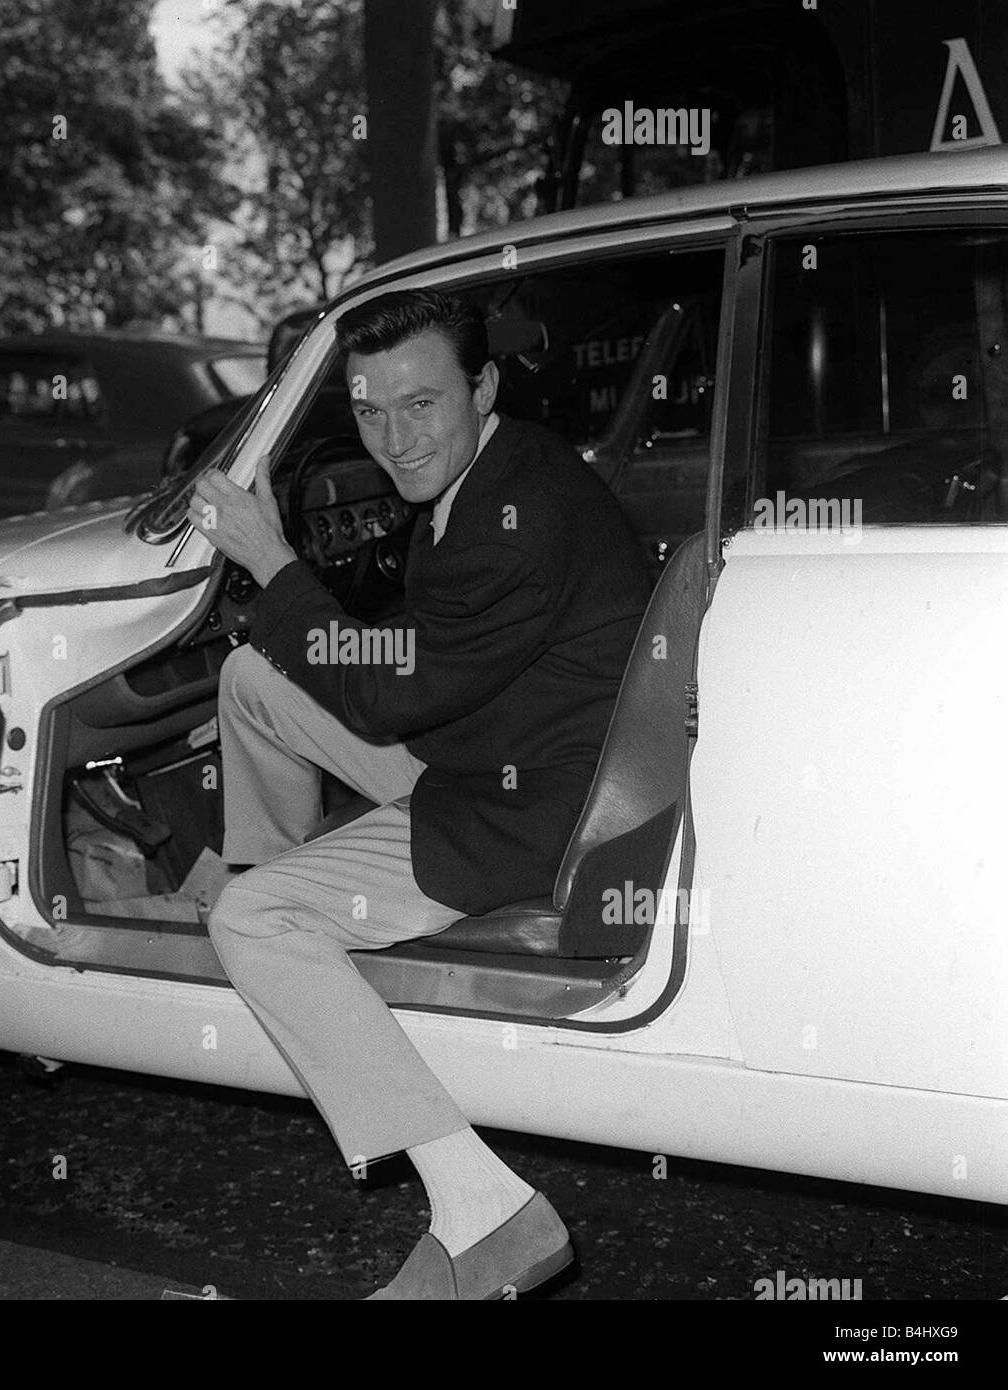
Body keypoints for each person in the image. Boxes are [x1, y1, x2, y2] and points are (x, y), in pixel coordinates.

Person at [189, 288, 652, 1300]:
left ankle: (486, 1212)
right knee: (255, 678)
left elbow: (391, 688)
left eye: (422, 404)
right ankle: (294, 913)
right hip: (502, 738)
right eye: (368, 410)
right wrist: (300, 600)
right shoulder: (507, 466)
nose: (396, 441)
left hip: (520, 809)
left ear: (481, 388)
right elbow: (418, 653)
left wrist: (272, 561)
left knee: (250, 920)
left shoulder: (508, 527)